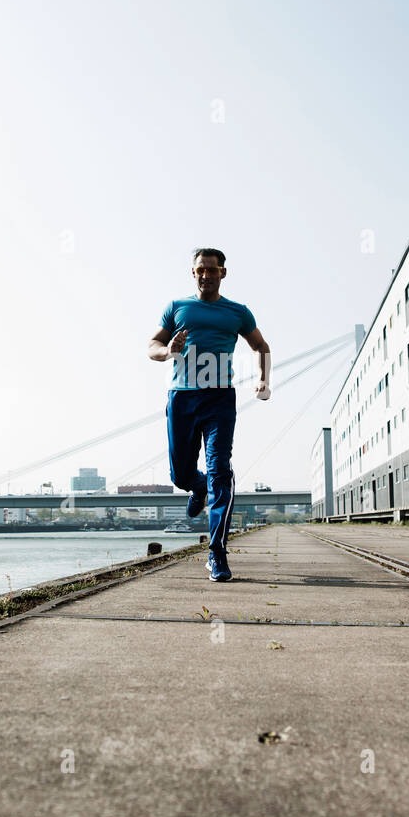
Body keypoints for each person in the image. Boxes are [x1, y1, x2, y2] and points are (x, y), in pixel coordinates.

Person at [148, 248, 270, 581]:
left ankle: (217, 553)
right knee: (180, 475)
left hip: (219, 400)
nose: (206, 275)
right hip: (182, 399)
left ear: (223, 273)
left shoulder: (238, 312)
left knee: (220, 471)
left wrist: (263, 379)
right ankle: (196, 487)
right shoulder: (177, 308)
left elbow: (261, 347)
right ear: (193, 273)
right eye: (200, 270)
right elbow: (152, 347)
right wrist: (168, 350)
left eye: (212, 270)